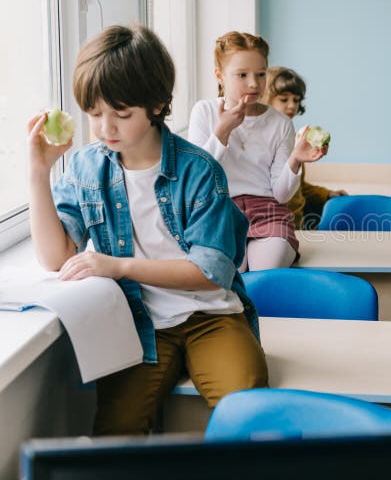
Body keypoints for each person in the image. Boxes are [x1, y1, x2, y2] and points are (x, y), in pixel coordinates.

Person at [26, 24, 267, 435]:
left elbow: (209, 273)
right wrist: (38, 172)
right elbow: (54, 258)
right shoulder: (86, 167)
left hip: (211, 316)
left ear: (157, 104)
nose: (105, 128)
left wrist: (118, 266)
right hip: (140, 322)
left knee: (248, 412)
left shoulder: (199, 170)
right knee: (115, 430)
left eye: (121, 114)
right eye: (94, 113)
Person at [188, 32, 326, 270]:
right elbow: (197, 179)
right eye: (242, 75)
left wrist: (295, 159)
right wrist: (222, 132)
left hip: (269, 212)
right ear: (220, 76)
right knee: (234, 270)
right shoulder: (204, 112)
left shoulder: (281, 123)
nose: (254, 83)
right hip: (220, 211)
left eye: (261, 74)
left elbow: (281, 195)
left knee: (267, 269)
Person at [265, 66, 346, 229]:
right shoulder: (262, 142)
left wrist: (326, 194)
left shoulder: (294, 139)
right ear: (265, 98)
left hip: (297, 223)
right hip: (273, 227)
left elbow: (296, 186)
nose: (292, 106)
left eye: (296, 100)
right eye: (284, 99)